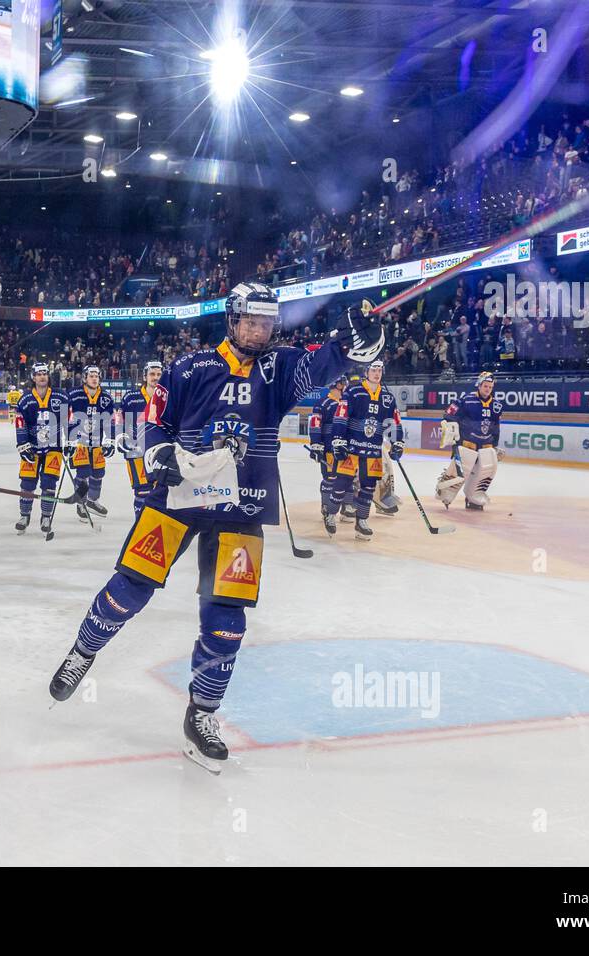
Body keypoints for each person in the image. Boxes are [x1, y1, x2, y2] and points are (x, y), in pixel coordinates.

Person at [47, 283, 381, 772]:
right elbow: (156, 422)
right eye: (251, 321)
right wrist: (160, 451)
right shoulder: (191, 367)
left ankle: (201, 714)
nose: (259, 330)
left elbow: (331, 358)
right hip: (178, 497)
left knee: (227, 623)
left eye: (268, 323)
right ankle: (83, 652)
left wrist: (359, 339)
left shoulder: (280, 368)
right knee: (130, 588)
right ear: (232, 320)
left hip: (243, 507)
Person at [325, 359, 403, 540]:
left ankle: (361, 522)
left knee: (368, 488)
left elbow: (394, 422)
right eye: (374, 370)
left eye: (380, 370)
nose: (377, 373)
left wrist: (397, 442)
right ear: (366, 372)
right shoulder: (353, 391)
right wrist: (338, 440)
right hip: (351, 448)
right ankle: (330, 514)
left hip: (373, 450)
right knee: (342, 483)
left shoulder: (387, 397)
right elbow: (341, 416)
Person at [13, 362, 69, 537]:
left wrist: (72, 441)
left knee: (49, 483)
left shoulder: (60, 397)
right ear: (33, 377)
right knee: (27, 484)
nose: (42, 376)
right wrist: (23, 445)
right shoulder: (25, 399)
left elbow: (71, 419)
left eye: (45, 373)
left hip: (54, 448)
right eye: (39, 374)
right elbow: (20, 422)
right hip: (32, 448)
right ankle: (24, 516)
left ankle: (45, 517)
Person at [435, 371, 503, 510]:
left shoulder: (497, 405)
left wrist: (495, 445)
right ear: (479, 385)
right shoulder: (466, 400)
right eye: (485, 386)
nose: (488, 389)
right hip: (467, 444)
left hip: (486, 446)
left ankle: (474, 498)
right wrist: (449, 426)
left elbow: (496, 427)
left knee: (485, 472)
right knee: (460, 472)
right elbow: (449, 415)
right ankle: (446, 494)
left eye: (490, 387)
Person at [65, 363, 117, 523]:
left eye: (97, 376)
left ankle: (92, 501)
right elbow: (65, 416)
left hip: (97, 443)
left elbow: (111, 421)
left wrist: (110, 440)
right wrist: (69, 439)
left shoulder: (106, 397)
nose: (94, 379)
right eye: (91, 376)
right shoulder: (74, 394)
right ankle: (81, 503)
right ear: (85, 378)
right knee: (83, 473)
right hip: (79, 442)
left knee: (98, 473)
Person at [116, 359, 163, 516]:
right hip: (136, 450)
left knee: (160, 491)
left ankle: (155, 524)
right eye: (152, 374)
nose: (155, 377)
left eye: (158, 374)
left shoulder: (168, 397)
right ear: (145, 376)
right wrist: (119, 436)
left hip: (160, 451)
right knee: (142, 492)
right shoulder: (131, 397)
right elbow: (119, 419)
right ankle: (139, 525)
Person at [307, 372, 348, 534]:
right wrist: (316, 444)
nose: (345, 387)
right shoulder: (323, 403)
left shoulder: (346, 402)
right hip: (329, 449)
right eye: (343, 384)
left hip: (344, 449)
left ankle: (346, 506)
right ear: (337, 384)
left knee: (347, 478)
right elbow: (315, 424)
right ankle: (326, 506)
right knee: (330, 478)